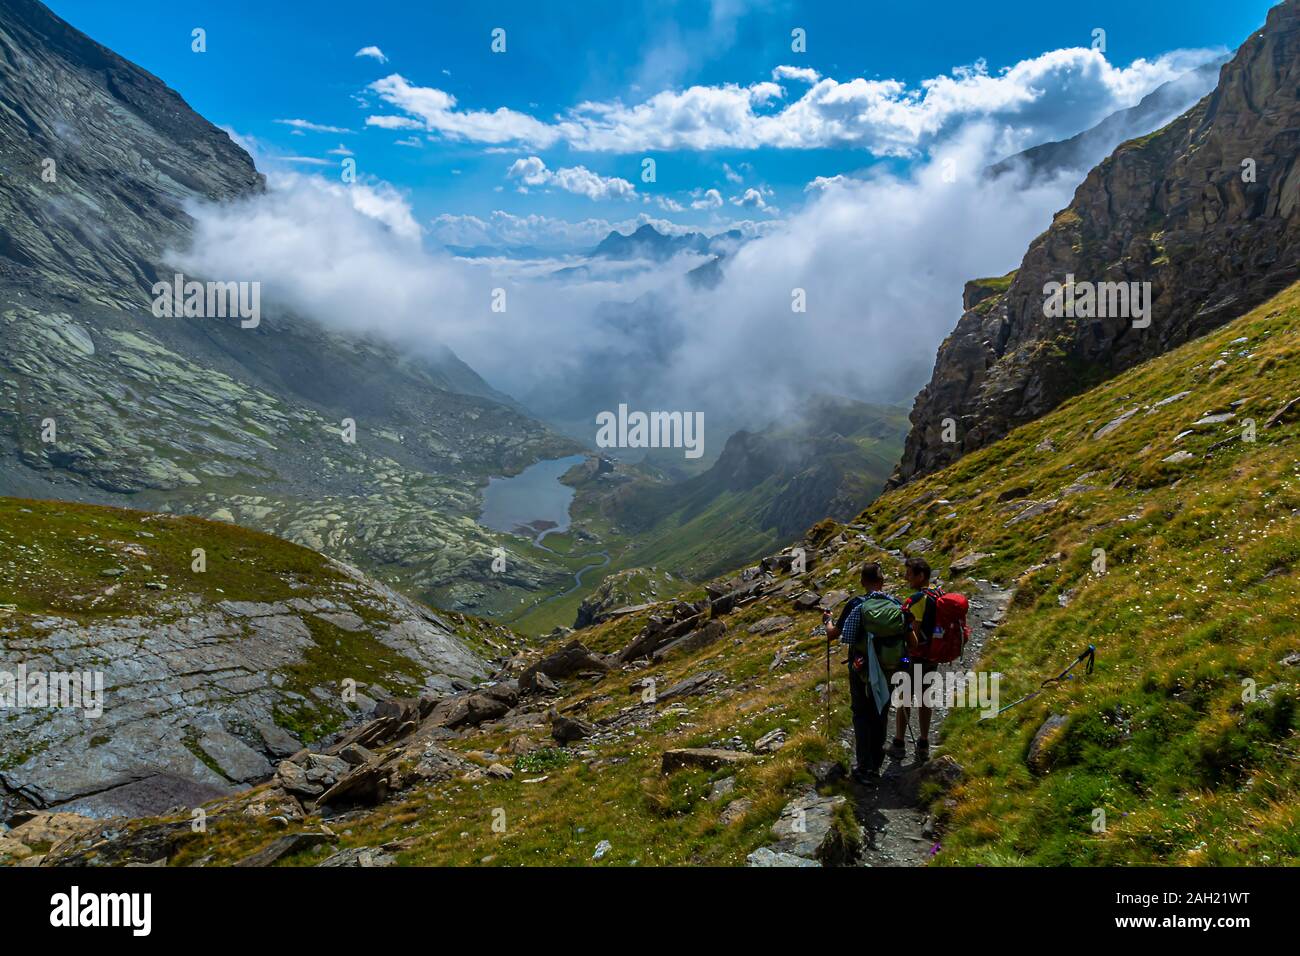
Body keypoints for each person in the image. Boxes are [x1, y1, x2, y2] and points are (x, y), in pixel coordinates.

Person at [824, 562, 901, 785]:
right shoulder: (894, 603)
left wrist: (827, 621)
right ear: (882, 581)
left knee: (861, 713)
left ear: (862, 582)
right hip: (888, 668)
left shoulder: (857, 604)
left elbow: (834, 635)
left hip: (861, 668)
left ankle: (864, 766)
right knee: (881, 710)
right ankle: (876, 764)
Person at [892, 556, 939, 761]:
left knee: (904, 697)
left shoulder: (918, 600)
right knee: (925, 698)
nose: (906, 577)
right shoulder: (937, 593)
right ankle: (923, 743)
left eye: (909, 574)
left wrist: (903, 632)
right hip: (933, 655)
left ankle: (899, 743)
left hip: (915, 657)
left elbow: (914, 637)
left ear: (921, 576)